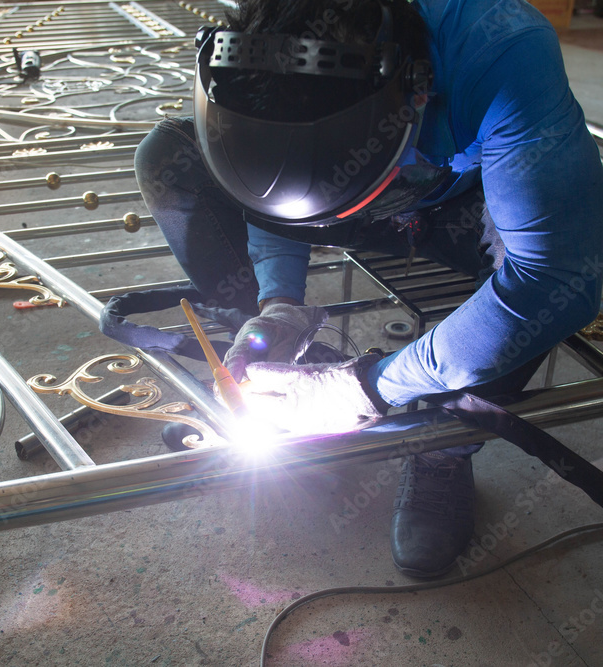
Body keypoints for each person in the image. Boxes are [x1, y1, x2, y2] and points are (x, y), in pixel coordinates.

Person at [132, 0, 603, 577]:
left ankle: (437, 446)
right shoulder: (254, 42)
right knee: (168, 158)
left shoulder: (501, 47)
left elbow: (558, 276)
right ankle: (282, 367)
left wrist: (375, 386)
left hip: (462, 200)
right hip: (359, 187)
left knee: (538, 287)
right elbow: (264, 187)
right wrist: (278, 301)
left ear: (416, 95)